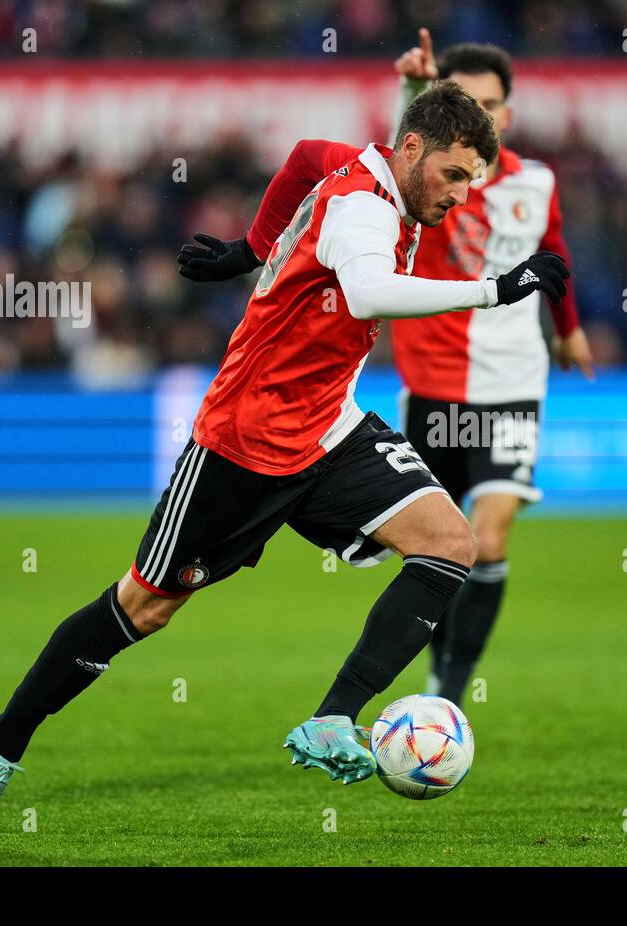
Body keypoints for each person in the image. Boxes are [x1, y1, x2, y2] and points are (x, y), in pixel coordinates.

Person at [0, 80, 569, 833]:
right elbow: (370, 292)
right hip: (244, 438)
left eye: (474, 180)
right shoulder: (365, 208)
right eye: (454, 175)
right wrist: (494, 289)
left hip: (329, 427)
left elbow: (306, 156)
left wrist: (253, 247)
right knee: (144, 608)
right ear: (412, 149)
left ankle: (334, 718)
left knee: (449, 544)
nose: (463, 196)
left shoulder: (361, 167)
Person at [179, 29, 595, 710]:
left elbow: (555, 254)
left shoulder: (533, 184)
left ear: (507, 116)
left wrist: (570, 331)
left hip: (514, 384)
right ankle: (362, 695)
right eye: (470, 106)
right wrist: (252, 248)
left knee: (483, 538)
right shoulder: (421, 188)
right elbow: (351, 154)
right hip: (430, 385)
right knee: (434, 546)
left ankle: (445, 691)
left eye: (492, 106)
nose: (482, 121)